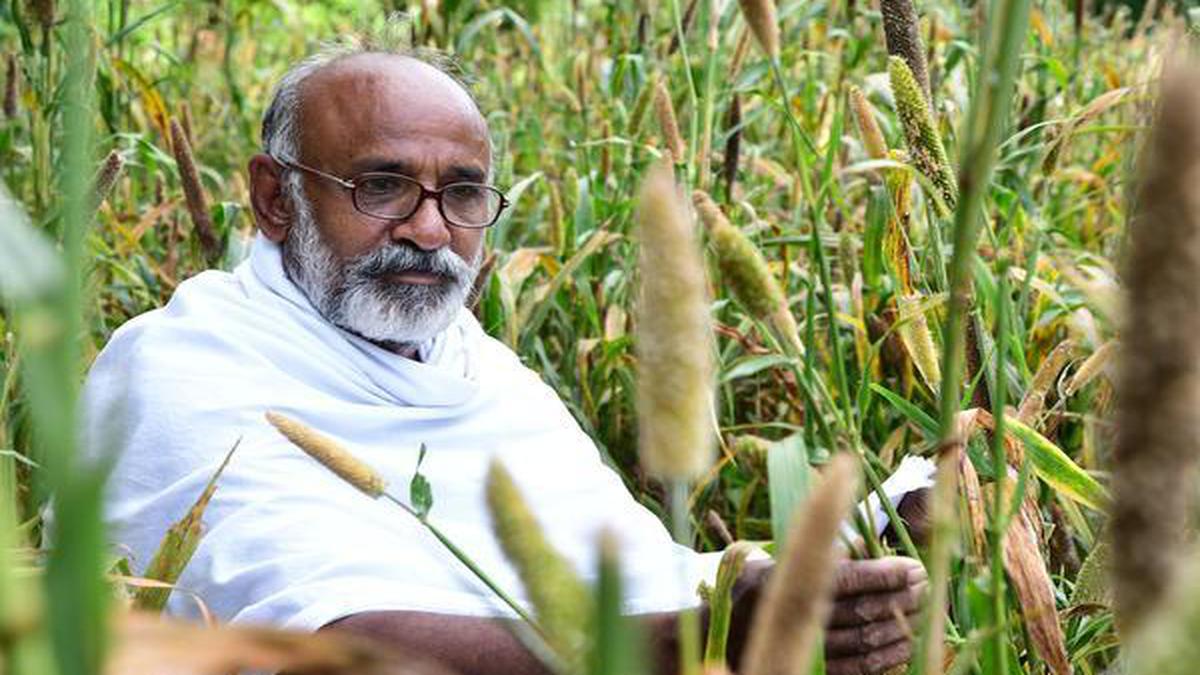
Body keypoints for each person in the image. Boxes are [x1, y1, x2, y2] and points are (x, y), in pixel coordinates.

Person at [84, 35, 929, 675]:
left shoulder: (481, 370)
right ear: (276, 198)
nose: (428, 228)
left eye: (461, 194)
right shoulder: (179, 372)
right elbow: (336, 647)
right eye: (381, 186)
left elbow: (641, 577)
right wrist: (703, 639)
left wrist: (859, 547)